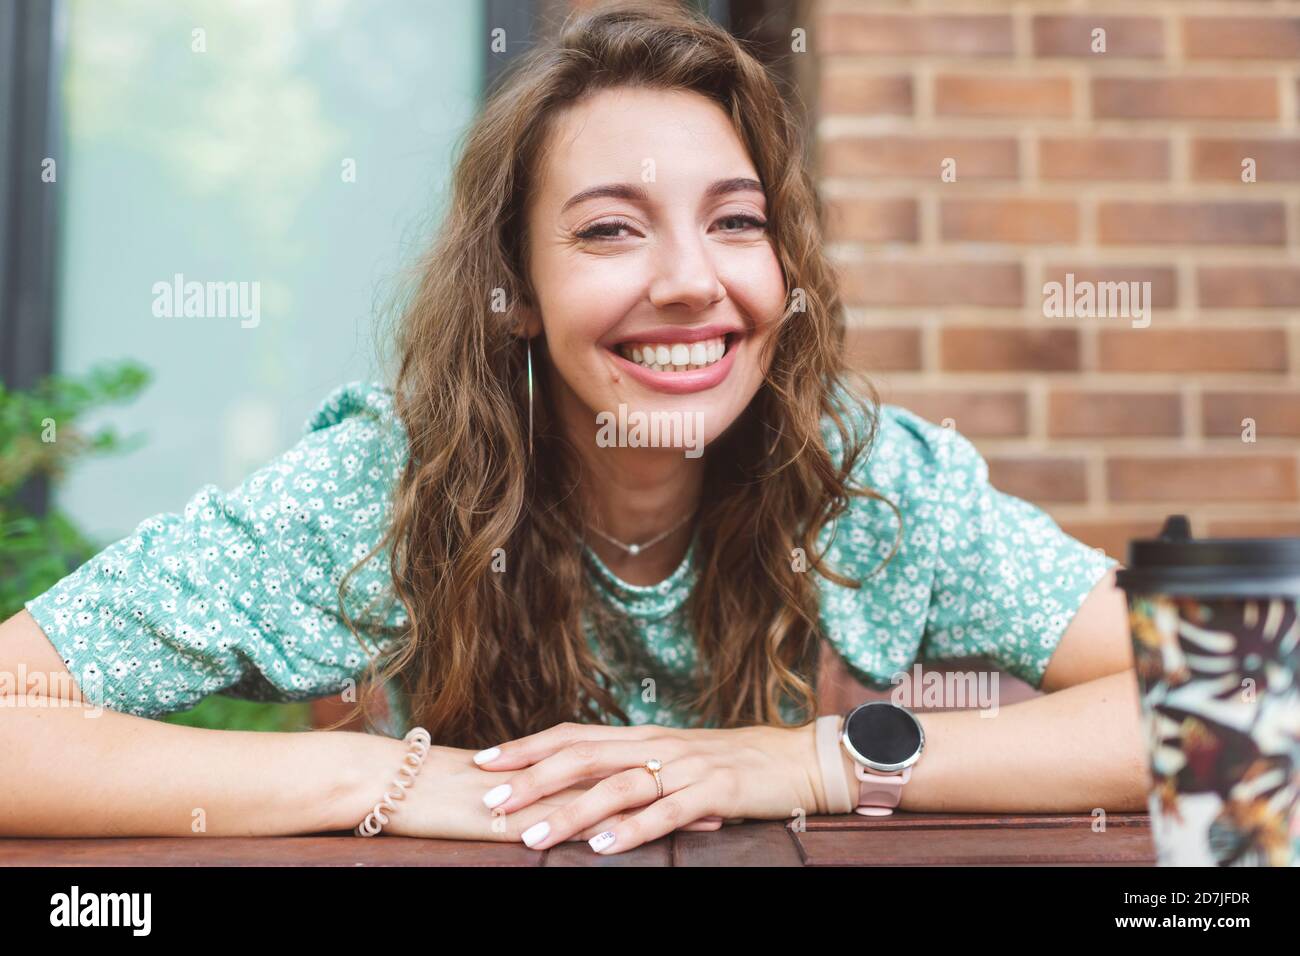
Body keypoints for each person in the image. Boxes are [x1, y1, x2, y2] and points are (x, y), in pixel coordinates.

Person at [0, 1, 1145, 855]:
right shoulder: (382, 487)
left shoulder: (863, 477)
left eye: (735, 221)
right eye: (609, 230)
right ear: (515, 290)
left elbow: (1244, 700)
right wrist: (387, 777)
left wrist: (809, 759)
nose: (694, 281)